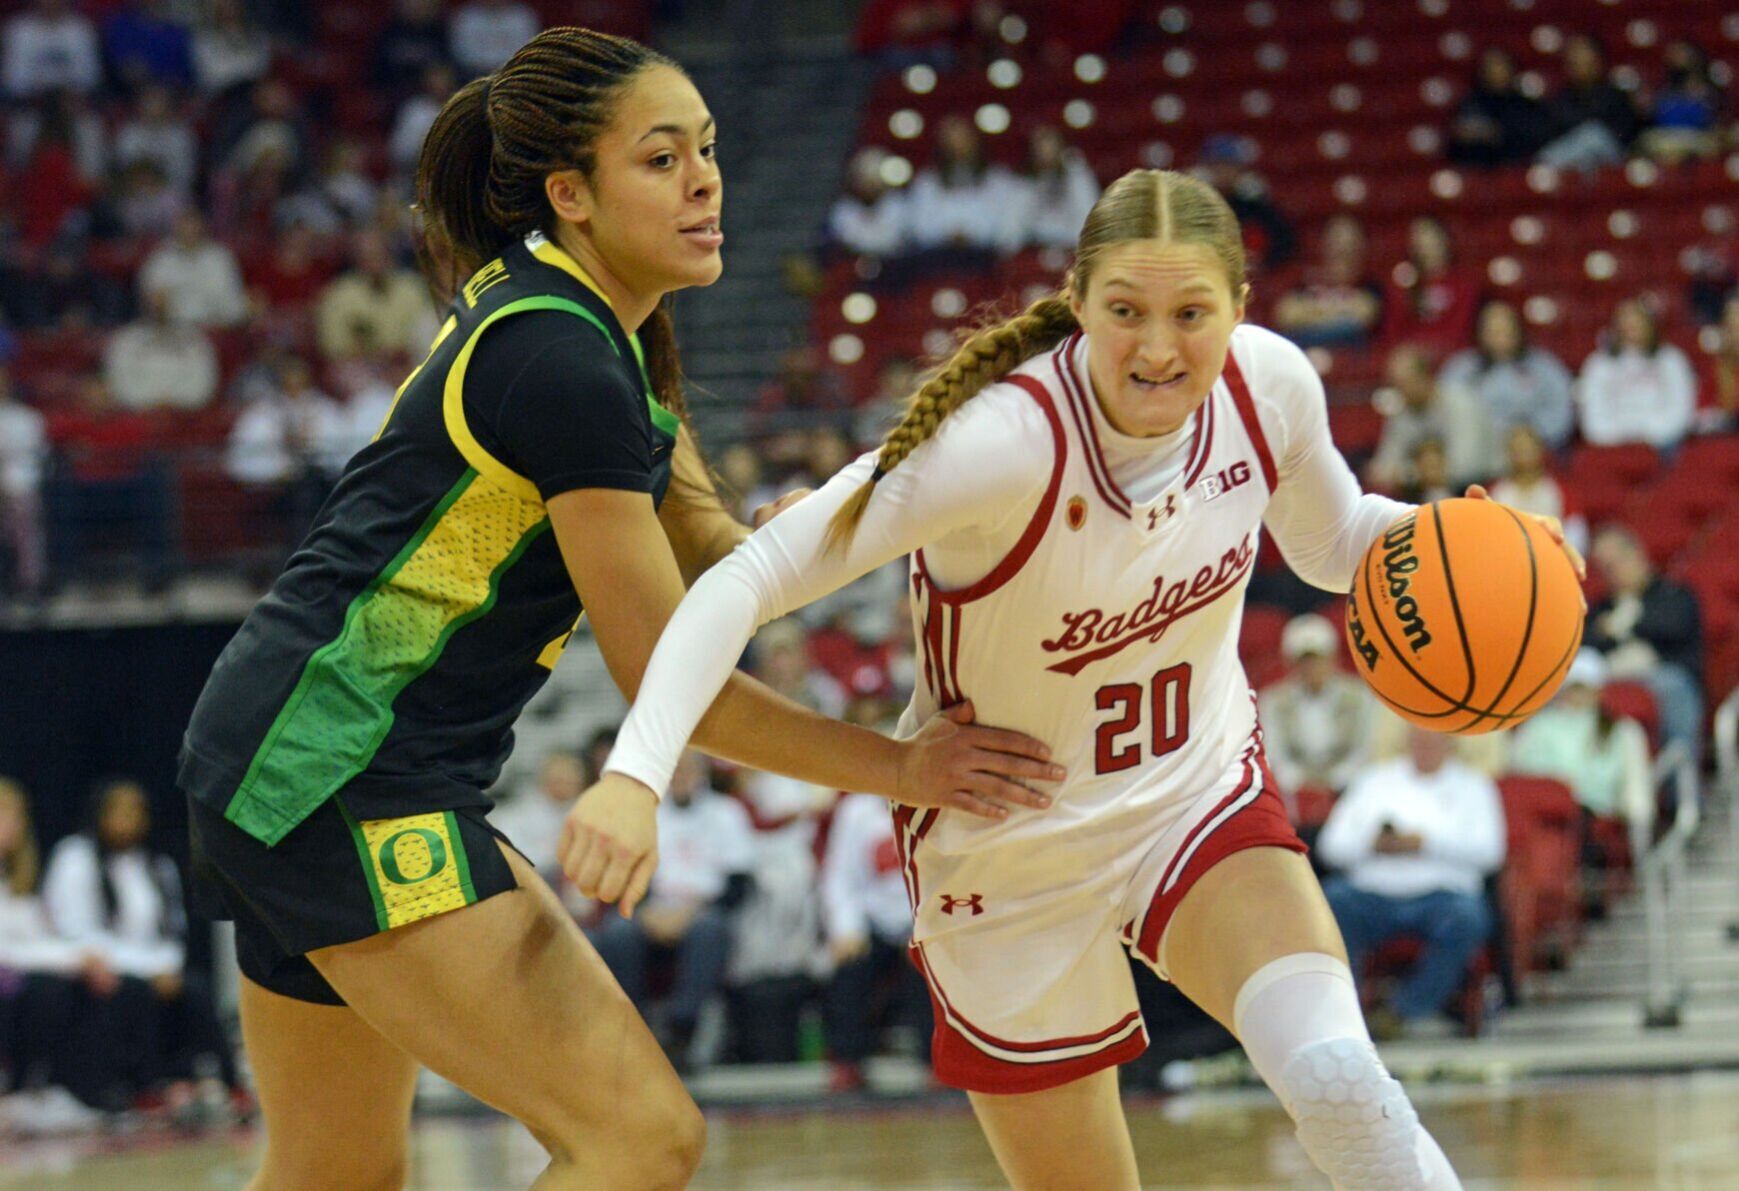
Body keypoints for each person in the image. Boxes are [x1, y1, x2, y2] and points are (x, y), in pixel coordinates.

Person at [581, 167, 1584, 1188]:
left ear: (1238, 308)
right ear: (1075, 304)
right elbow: (745, 579)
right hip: (1006, 850)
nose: (1156, 347)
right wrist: (634, 775)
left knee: (1335, 1073)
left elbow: (1334, 545)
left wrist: (1471, 542)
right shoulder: (995, 444)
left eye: (1190, 313)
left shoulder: (1268, 384)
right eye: (1125, 312)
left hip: (1191, 797)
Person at [175, 29, 1050, 1191]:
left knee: (336, 1174)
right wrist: (905, 769)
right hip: (339, 779)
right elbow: (671, 685)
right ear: (570, 195)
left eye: (708, 149)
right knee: (639, 1139)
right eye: (661, 158)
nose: (703, 180)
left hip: (274, 766)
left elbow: (726, 559)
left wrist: (937, 518)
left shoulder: (593, 331)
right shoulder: (561, 360)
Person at [43, 779, 238, 1120]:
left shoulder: (157, 866)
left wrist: (166, 969)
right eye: (118, 812)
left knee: (195, 989)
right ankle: (144, 1087)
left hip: (153, 965)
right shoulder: (75, 857)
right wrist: (148, 970)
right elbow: (73, 929)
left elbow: (170, 933)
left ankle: (226, 1082)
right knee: (134, 992)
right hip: (99, 964)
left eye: (135, 812)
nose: (127, 821)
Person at [1317, 727, 1506, 1041]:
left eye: (1434, 740)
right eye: (1419, 739)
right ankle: (1342, 1014)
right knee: (1331, 901)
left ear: (1451, 743)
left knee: (1470, 917)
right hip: (1372, 893)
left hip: (1441, 896)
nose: (1426, 746)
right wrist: (1373, 844)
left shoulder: (1475, 786)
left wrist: (1426, 843)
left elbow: (1491, 853)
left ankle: (1403, 1010)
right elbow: (1330, 847)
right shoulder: (1373, 781)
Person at [586, 752, 753, 1070]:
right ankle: (633, 1029)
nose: (680, 777)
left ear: (701, 774)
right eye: (673, 771)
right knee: (617, 932)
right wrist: (647, 909)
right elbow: (621, 875)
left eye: (687, 770)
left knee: (711, 930)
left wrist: (692, 911)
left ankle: (682, 1026)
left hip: (705, 909)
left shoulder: (726, 813)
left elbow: (739, 883)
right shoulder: (643, 813)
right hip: (650, 909)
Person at [1510, 649, 1653, 905]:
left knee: (1580, 822)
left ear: (1597, 691)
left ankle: (1587, 889)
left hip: (1592, 813)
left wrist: (1637, 821)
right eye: (1570, 688)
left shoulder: (1622, 732)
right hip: (1546, 814)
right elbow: (1521, 773)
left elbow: (1634, 787)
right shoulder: (1538, 726)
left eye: (1581, 688)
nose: (1574, 696)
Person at [821, 788, 933, 1093]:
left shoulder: (934, 802)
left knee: (933, 964)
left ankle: (938, 1063)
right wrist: (847, 929)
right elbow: (840, 877)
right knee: (849, 964)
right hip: (872, 921)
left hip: (925, 920)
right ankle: (846, 1062)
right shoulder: (855, 810)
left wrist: (921, 927)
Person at [1588, 525, 1704, 763]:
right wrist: (1607, 631)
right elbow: (1585, 644)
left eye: (1618, 561)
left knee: (1672, 687)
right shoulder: (1600, 608)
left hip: (1665, 676)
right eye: (1606, 567)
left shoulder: (1672, 593)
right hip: (1612, 677)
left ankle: (1682, 787)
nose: (1615, 571)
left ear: (1637, 554)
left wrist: (1624, 624)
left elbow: (1675, 626)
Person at [1258, 613, 1375, 812]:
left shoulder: (1358, 697)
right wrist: (1302, 784)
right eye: (1304, 661)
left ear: (1332, 657)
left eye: (1317, 659)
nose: (1311, 668)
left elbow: (1364, 749)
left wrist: (1334, 782)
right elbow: (1275, 754)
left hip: (1348, 787)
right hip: (1294, 794)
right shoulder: (1273, 701)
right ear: (1291, 663)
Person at [1437, 299, 1575, 451]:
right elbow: (1445, 412)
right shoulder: (1461, 369)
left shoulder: (1545, 366)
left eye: (1506, 330)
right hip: (1481, 453)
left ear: (1518, 332)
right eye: (1494, 332)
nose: (1501, 338)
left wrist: (1528, 439)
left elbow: (1562, 411)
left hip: (1538, 450)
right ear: (1481, 333)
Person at [1576, 298, 1698, 451]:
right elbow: (1592, 419)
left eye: (1638, 321)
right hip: (1611, 446)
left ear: (1651, 325)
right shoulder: (1598, 364)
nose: (1631, 327)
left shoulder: (1672, 360)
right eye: (1626, 322)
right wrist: (1622, 437)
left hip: (1663, 445)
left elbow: (1681, 413)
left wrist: (1647, 435)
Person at [1368, 344, 1492, 493]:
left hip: (1483, 485)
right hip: (1430, 491)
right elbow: (1382, 469)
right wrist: (1420, 474)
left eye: (1404, 384)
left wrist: (1411, 474)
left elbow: (1466, 465)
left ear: (1425, 378)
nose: (1398, 391)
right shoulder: (1402, 412)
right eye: (1394, 384)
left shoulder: (1459, 403)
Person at [1272, 214, 1383, 350]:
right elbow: (1286, 315)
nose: (1342, 249)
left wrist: (1311, 313)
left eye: (1349, 243)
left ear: (1361, 248)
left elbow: (1365, 315)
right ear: (1324, 245)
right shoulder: (1305, 283)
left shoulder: (1370, 285)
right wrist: (1343, 312)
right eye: (1336, 241)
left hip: (1352, 359)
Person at [1537, 33, 1641, 172]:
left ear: (1598, 62)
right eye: (1575, 61)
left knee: (1593, 134)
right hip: (1572, 164)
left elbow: (1622, 137)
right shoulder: (1560, 100)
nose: (1580, 65)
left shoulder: (1617, 97)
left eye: (1585, 59)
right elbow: (1555, 136)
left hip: (1611, 163)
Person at [1378, 216, 1480, 355]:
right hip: (1409, 360)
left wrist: (1432, 351)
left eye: (1433, 241)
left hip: (1452, 359)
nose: (1428, 249)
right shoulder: (1401, 286)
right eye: (1421, 242)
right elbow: (1393, 332)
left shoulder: (1464, 285)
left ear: (1446, 242)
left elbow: (1461, 331)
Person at [1487, 424, 1586, 557]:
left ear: (1541, 450)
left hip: (1553, 561)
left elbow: (1576, 535)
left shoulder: (1561, 490)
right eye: (1517, 449)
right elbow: (1488, 535)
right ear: (1508, 453)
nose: (1523, 454)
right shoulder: (1495, 492)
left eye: (1528, 449)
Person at [1446, 47, 1549, 168]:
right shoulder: (1472, 103)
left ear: (1511, 70)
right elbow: (1456, 145)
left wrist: (1497, 133)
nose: (1495, 72)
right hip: (1477, 171)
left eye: (1500, 66)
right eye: (1490, 67)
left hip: (1517, 169)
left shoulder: (1526, 104)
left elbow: (1535, 140)